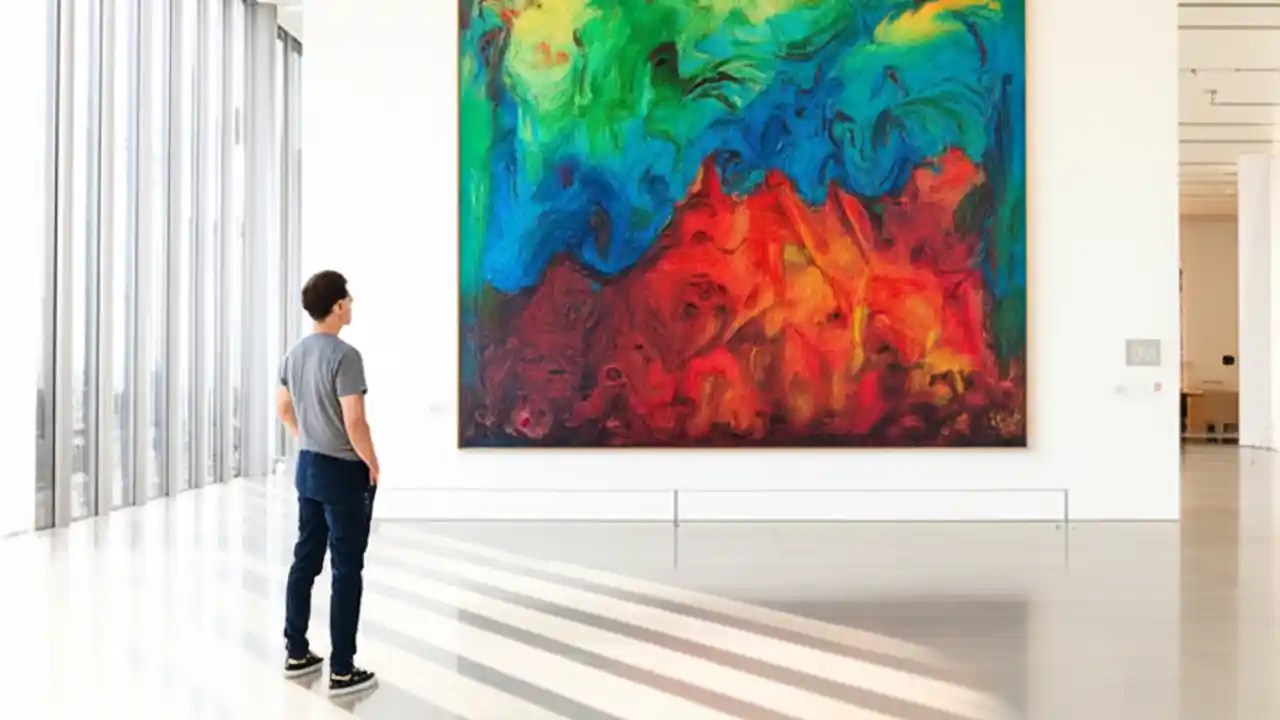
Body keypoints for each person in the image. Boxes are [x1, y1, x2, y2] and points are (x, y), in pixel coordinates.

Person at [277, 270, 380, 697]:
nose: (352, 305)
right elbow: (354, 420)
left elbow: (284, 408)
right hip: (341, 472)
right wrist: (371, 462)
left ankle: (297, 652)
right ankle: (342, 669)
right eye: (349, 300)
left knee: (305, 561)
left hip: (308, 468)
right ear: (337, 305)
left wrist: (309, 439)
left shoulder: (295, 354)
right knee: (346, 568)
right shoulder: (345, 355)